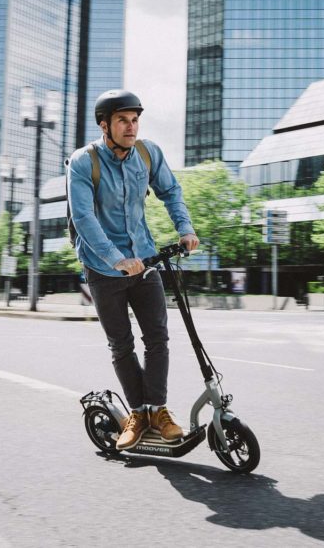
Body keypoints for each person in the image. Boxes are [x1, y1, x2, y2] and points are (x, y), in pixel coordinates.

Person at [67, 89, 199, 450]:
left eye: (135, 120)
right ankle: (137, 415)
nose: (131, 127)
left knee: (157, 338)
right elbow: (83, 217)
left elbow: (171, 191)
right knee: (121, 344)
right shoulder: (83, 162)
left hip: (144, 260)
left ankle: (156, 411)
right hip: (102, 268)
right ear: (104, 125)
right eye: (123, 120)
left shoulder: (147, 153)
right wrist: (116, 259)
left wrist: (185, 229)